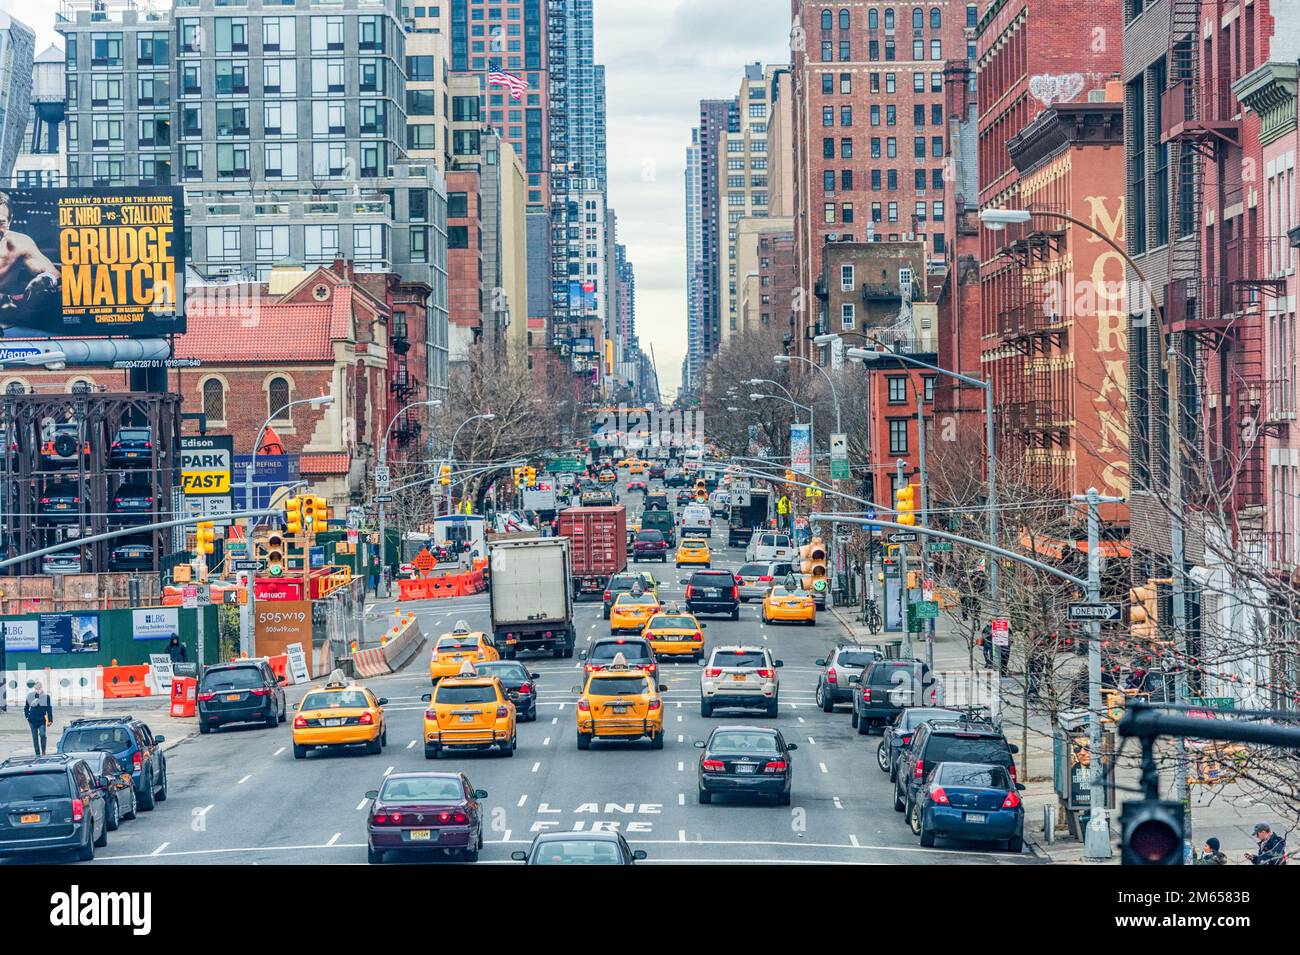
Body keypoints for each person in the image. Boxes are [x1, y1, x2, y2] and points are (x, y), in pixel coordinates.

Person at [23, 681, 52, 756]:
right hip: (32, 720)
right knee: (35, 737)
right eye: (36, 689)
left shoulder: (46, 697)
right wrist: (27, 716)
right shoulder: (30, 696)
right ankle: (37, 754)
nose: (37, 690)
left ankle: (43, 751)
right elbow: (26, 707)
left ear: (41, 688)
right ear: (34, 689)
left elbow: (49, 709)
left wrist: (50, 720)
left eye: (39, 688)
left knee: (42, 734)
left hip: (42, 720)